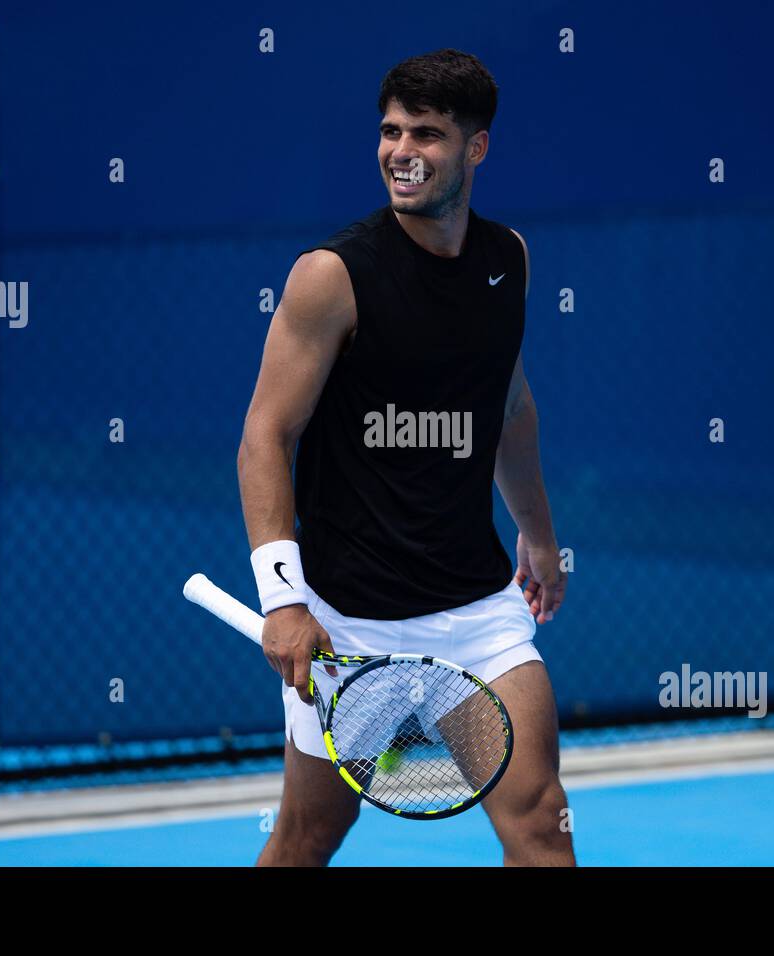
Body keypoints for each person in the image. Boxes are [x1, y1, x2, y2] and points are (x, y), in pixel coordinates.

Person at [237, 48, 572, 866]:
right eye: (390, 131)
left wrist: (536, 533)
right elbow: (265, 436)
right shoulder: (332, 276)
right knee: (310, 835)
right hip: (349, 624)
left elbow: (510, 408)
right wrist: (283, 598)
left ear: (476, 148)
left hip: (478, 615)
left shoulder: (507, 260)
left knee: (539, 819)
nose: (402, 150)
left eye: (427, 132)